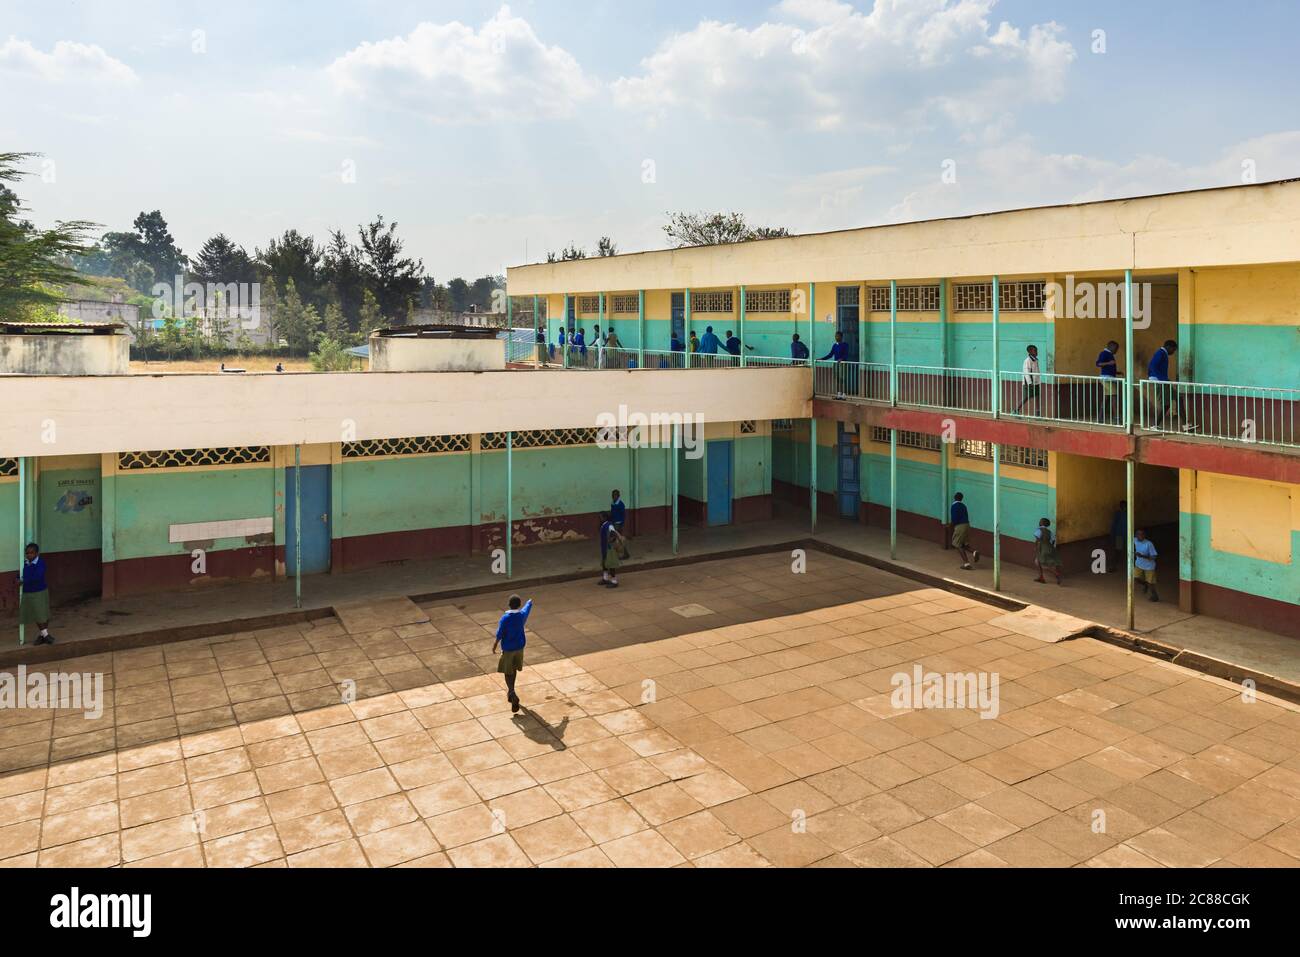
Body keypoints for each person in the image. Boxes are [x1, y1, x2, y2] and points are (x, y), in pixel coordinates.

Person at [492, 594, 533, 713]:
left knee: (507, 671)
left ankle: (512, 693)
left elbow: (500, 633)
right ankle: (511, 692)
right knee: (513, 669)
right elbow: (526, 609)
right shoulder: (521, 616)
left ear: (509, 604)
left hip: (508, 649)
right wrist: (529, 602)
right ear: (519, 605)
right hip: (519, 648)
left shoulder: (505, 618)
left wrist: (494, 645)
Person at [1148, 339, 1194, 432]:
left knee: (1174, 400)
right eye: (1173, 350)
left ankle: (1185, 425)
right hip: (1160, 382)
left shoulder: (1162, 353)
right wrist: (1162, 378)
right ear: (1169, 347)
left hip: (1162, 381)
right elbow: (1152, 366)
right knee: (1170, 402)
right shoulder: (1160, 353)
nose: (1173, 352)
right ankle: (1156, 425)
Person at [17, 543, 53, 645]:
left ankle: (43, 635)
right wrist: (17, 579)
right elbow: (19, 574)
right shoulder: (24, 563)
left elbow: (37, 576)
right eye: (27, 553)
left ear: (37, 553)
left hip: (40, 591)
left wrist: (23, 581)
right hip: (28, 592)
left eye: (31, 553)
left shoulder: (40, 563)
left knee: (43, 614)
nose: (29, 555)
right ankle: (45, 635)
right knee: (37, 614)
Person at [950, 493, 980, 570]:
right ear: (961, 498)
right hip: (967, 525)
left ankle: (967, 563)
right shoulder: (963, 506)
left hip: (960, 526)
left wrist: (950, 525)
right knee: (964, 544)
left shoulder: (954, 506)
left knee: (957, 544)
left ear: (954, 498)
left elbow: (954, 518)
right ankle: (974, 552)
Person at [598, 512, 627, 587]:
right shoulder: (604, 525)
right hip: (605, 548)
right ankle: (605, 578)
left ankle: (614, 581)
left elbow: (613, 533)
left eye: (600, 517)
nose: (599, 519)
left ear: (605, 518)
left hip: (609, 548)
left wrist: (611, 541)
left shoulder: (609, 525)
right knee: (604, 562)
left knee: (611, 564)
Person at [1095, 339, 1120, 424]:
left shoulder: (1109, 354)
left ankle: (1100, 417)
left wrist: (1116, 372)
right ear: (1111, 347)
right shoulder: (1104, 353)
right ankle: (1116, 417)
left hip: (1109, 378)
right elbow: (1098, 364)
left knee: (1107, 398)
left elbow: (1108, 367)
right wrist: (1109, 363)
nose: (1117, 350)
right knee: (1114, 396)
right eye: (1116, 348)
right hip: (1106, 379)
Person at [1033, 518, 1063, 585]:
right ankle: (1041, 577)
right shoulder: (1050, 532)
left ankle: (1057, 574)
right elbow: (1053, 540)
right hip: (1049, 547)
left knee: (1041, 563)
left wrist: (1035, 547)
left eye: (1040, 521)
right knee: (1038, 561)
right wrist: (1050, 547)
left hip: (1041, 548)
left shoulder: (1039, 530)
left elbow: (1037, 539)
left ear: (1041, 523)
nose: (1039, 522)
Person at [1133, 528, 1160, 602]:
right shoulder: (1135, 540)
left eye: (1141, 534)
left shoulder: (1149, 544)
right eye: (1138, 534)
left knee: (1151, 583)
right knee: (1136, 579)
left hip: (1149, 566)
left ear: (1144, 535)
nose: (1139, 536)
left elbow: (1154, 557)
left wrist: (1142, 556)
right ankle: (1145, 584)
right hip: (1139, 564)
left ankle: (1155, 596)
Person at [821, 331, 849, 398]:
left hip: (842, 364)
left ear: (841, 337)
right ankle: (839, 394)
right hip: (836, 364)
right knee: (838, 379)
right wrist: (822, 359)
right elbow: (830, 355)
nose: (836, 337)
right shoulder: (834, 345)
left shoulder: (845, 345)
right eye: (836, 336)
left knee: (843, 379)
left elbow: (846, 354)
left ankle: (844, 395)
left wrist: (841, 359)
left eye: (838, 336)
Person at [1015, 344, 1041, 415]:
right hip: (1029, 383)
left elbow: (1037, 371)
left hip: (1036, 382)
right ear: (1030, 352)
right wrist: (1030, 383)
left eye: (1036, 350)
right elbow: (1026, 372)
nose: (1036, 352)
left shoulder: (1036, 360)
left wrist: (1038, 381)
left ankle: (1037, 413)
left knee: (1037, 396)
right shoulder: (1027, 361)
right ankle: (1016, 410)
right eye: (1035, 351)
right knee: (1026, 397)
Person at [1109, 500, 1127, 572]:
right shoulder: (1118, 514)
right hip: (1119, 535)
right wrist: (1112, 534)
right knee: (1118, 551)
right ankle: (1114, 566)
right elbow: (1114, 524)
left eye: (1124, 505)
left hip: (1126, 535)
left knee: (1128, 550)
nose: (1123, 507)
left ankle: (1133, 567)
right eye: (1122, 505)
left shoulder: (1128, 513)